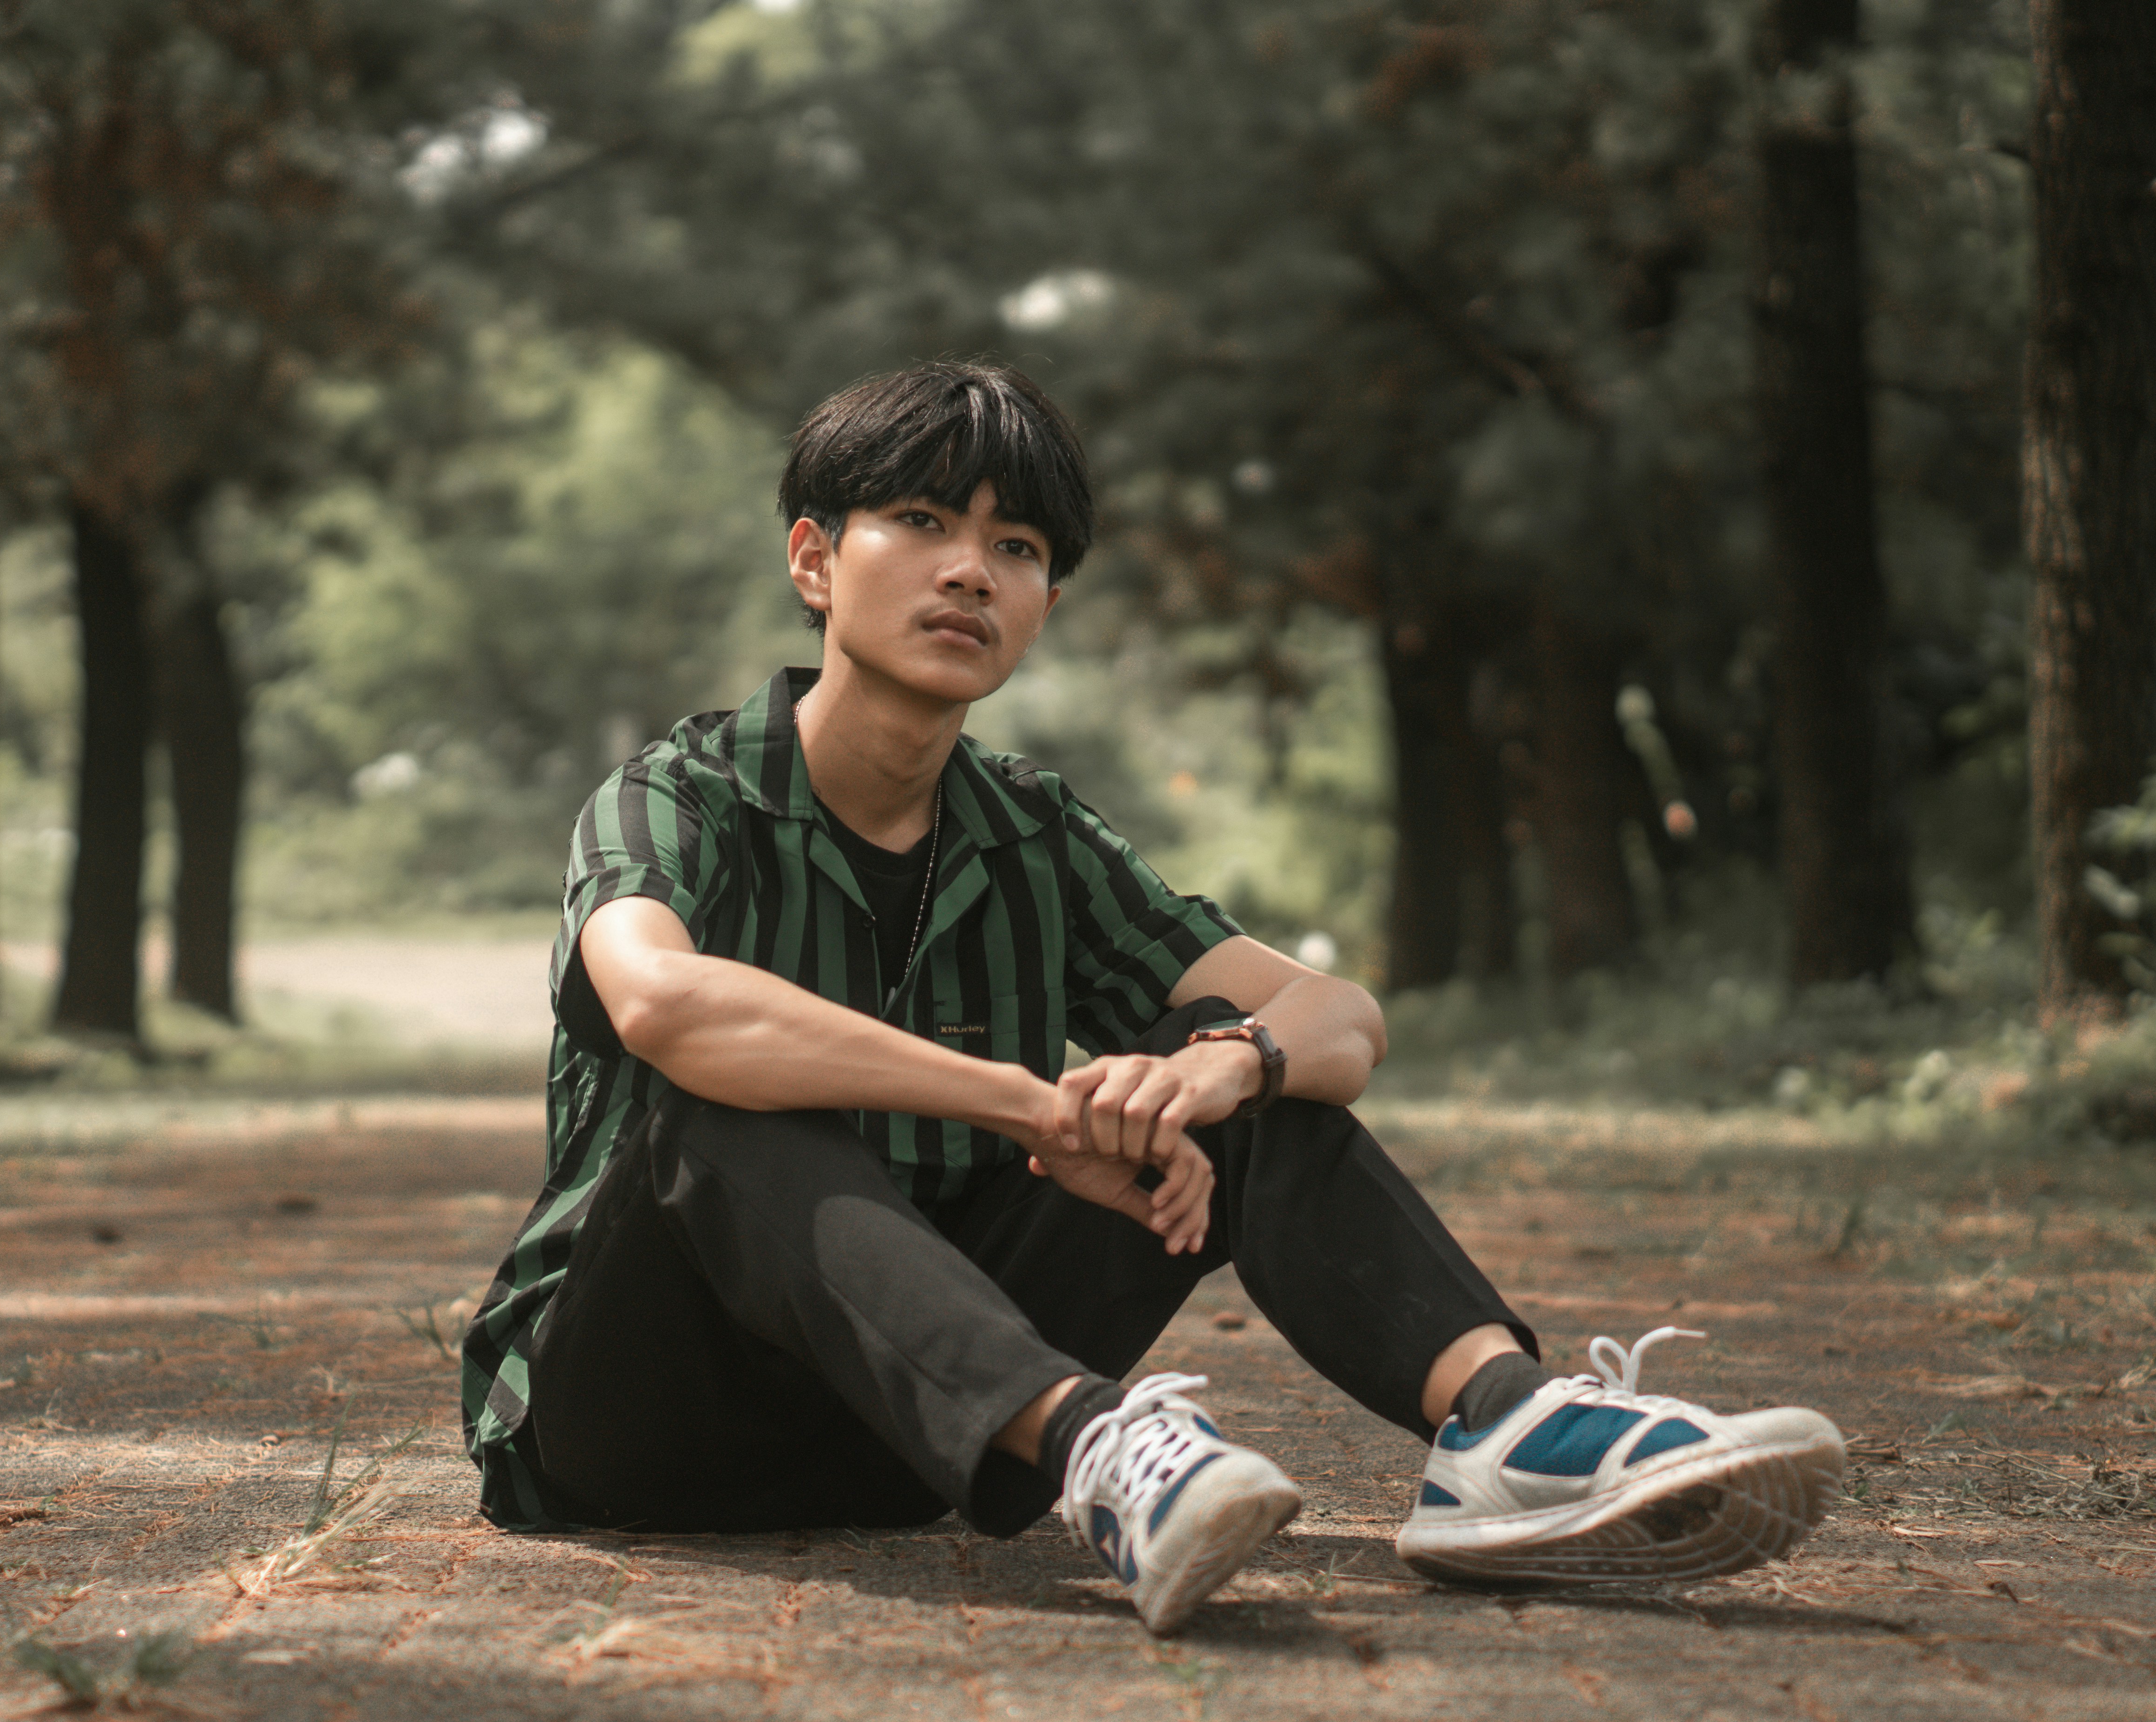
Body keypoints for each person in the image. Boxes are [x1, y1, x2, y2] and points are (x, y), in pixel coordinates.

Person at [459, 361, 1845, 1632]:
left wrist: (1222, 1071)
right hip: (630, 1417)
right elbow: (671, 1010)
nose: (971, 573)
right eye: (927, 523)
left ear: (1047, 606)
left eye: (1018, 549)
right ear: (815, 560)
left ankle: (1506, 1428)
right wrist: (1027, 1105)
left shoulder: (1033, 837)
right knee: (723, 1103)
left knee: (1232, 1059)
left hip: (906, 1441)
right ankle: (1100, 1448)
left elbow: (1343, 1015)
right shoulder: (680, 798)